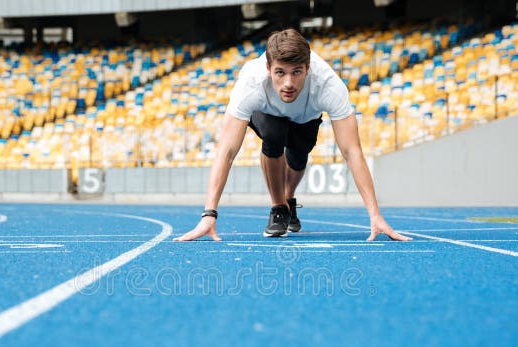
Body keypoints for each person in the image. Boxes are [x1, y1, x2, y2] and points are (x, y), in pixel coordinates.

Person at [174, 28, 411, 242]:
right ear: (268, 69)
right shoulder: (251, 84)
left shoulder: (328, 85)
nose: (288, 83)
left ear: (308, 68)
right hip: (267, 113)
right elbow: (226, 152)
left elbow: (352, 151)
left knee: (298, 158)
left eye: (297, 72)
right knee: (274, 135)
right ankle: (279, 207)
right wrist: (209, 214)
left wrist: (375, 215)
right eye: (280, 72)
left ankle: (289, 198)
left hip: (306, 118)